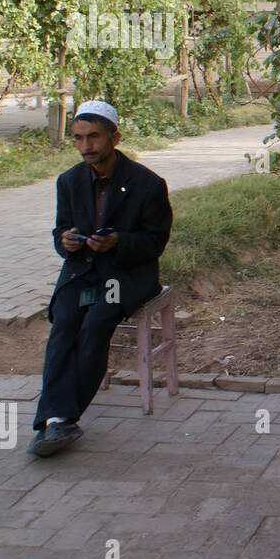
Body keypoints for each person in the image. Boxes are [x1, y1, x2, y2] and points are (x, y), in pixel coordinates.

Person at [27, 100, 173, 457]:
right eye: (78, 138)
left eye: (93, 137)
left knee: (94, 324)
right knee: (64, 324)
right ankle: (55, 421)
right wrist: (66, 241)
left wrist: (118, 241)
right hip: (83, 271)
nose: (86, 146)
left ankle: (62, 417)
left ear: (114, 137)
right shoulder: (69, 181)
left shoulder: (147, 184)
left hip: (125, 275)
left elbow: (156, 242)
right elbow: (61, 229)